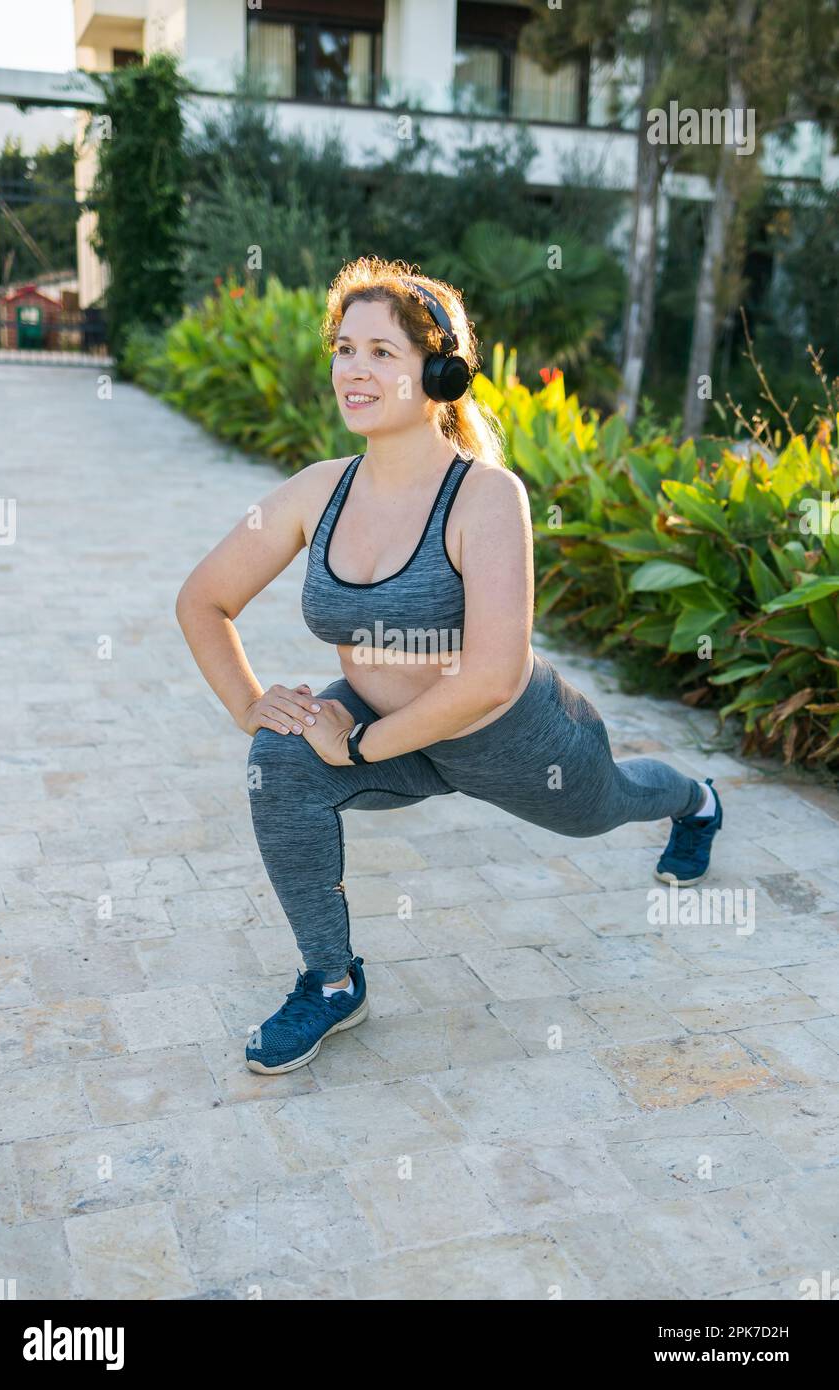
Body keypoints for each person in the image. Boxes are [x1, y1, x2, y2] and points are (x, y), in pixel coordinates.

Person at [175, 255, 723, 1077]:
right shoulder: (314, 491)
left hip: (514, 741)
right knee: (280, 763)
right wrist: (252, 704)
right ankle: (331, 983)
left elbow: (494, 675)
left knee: (608, 804)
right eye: (344, 348)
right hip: (391, 735)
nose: (354, 369)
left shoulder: (487, 498)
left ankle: (698, 800)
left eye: (382, 353)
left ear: (440, 373)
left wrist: (358, 746)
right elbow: (201, 600)